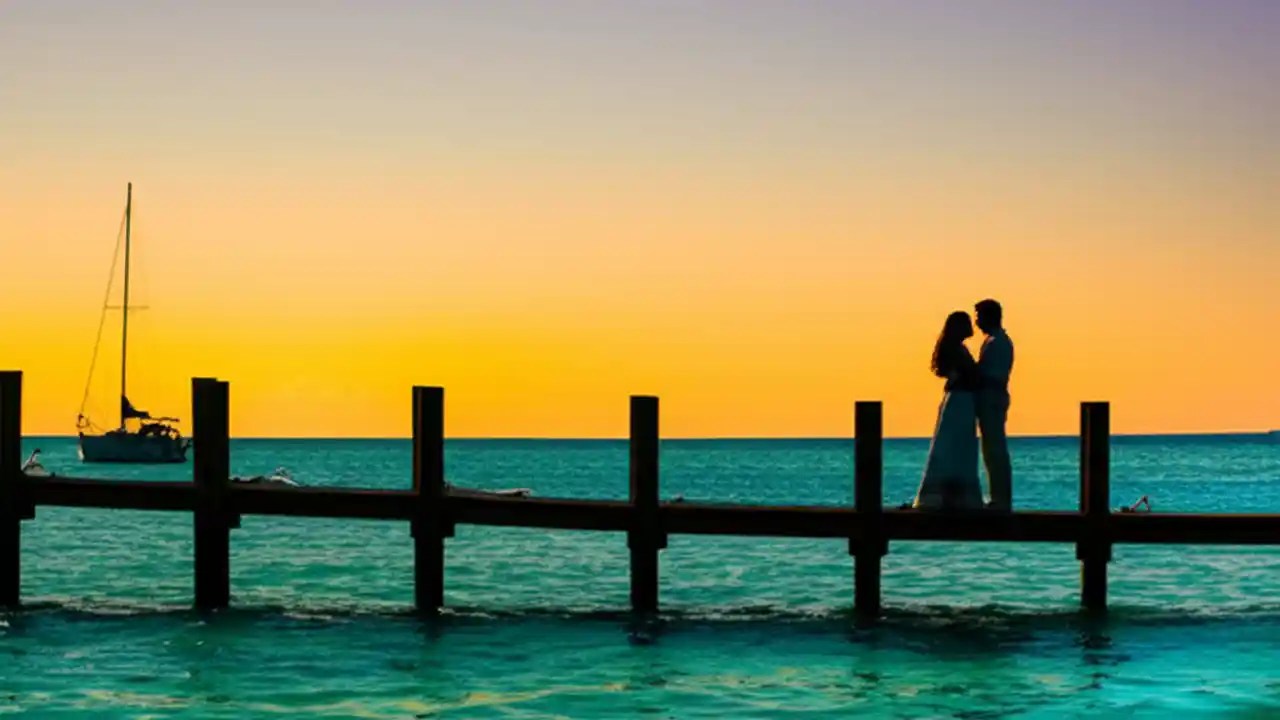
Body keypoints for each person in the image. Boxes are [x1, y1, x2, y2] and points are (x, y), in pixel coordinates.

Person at [912, 311, 985, 510]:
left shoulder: (955, 348)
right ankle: (954, 496)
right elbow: (968, 374)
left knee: (954, 444)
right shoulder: (956, 350)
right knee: (957, 443)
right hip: (960, 398)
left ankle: (949, 495)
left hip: (960, 398)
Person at [975, 299, 1014, 510]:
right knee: (991, 449)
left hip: (992, 398)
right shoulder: (994, 341)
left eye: (979, 317)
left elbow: (995, 375)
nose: (977, 322)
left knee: (995, 449)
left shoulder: (998, 342)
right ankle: (998, 496)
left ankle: (1001, 498)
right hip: (991, 398)